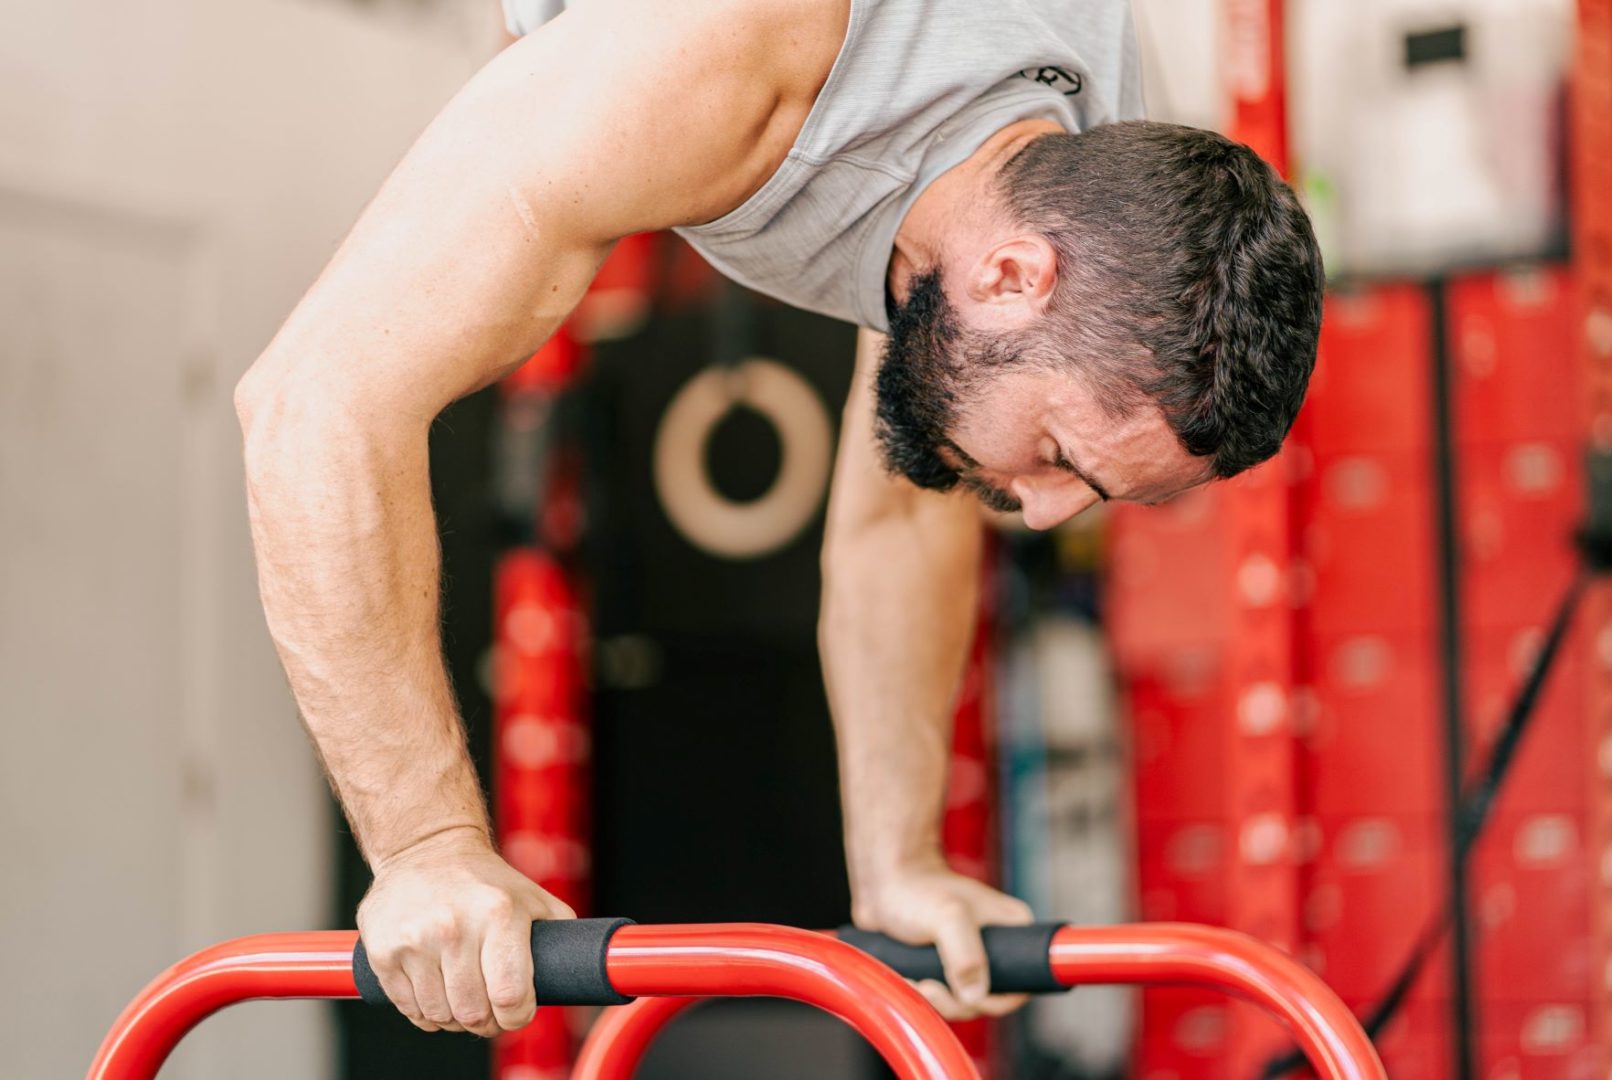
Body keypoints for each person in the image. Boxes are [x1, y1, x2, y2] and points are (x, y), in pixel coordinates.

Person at [233, 0, 1324, 1042]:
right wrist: (424, 848)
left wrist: (900, 867)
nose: (1042, 515)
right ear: (1010, 273)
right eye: (1057, 460)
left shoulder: (1104, 183)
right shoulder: (724, 62)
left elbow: (912, 497)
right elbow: (317, 397)